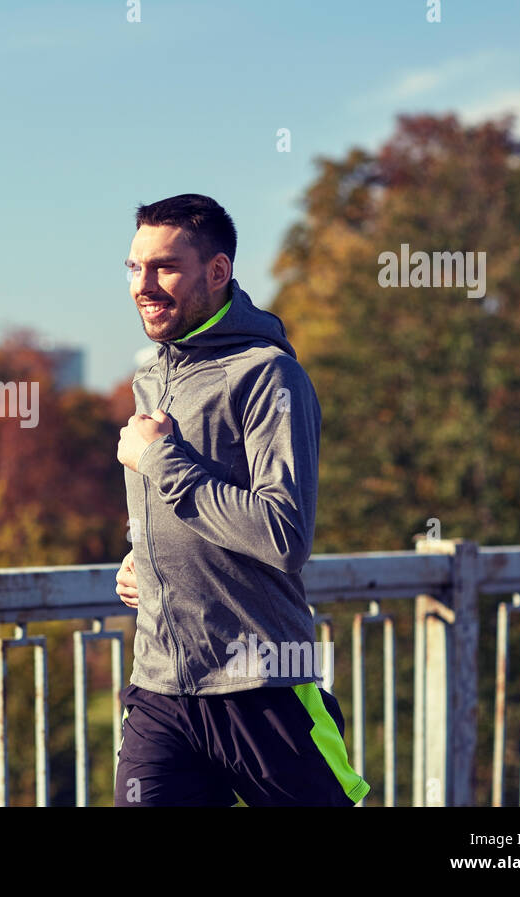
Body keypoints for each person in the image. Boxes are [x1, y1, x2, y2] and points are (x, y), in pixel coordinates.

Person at [113, 193, 368, 807]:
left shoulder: (269, 375)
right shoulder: (152, 377)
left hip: (259, 681)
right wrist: (143, 557)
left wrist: (158, 460)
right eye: (133, 268)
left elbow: (284, 534)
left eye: (165, 267)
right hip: (161, 688)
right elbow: (174, 512)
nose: (143, 285)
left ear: (218, 271)